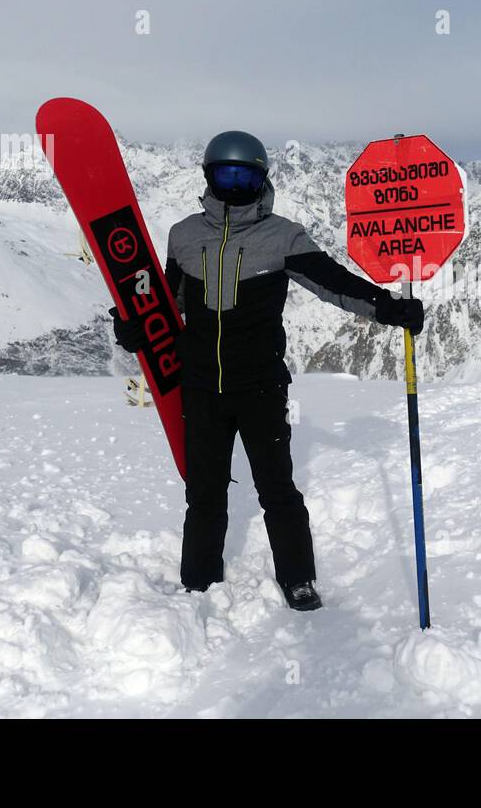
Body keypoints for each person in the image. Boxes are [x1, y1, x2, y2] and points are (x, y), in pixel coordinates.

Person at [111, 131, 423, 611]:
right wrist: (133, 327)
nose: (235, 185)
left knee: (277, 490)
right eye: (225, 174)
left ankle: (298, 580)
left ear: (262, 180)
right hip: (200, 386)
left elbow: (333, 284)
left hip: (259, 387)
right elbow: (166, 304)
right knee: (204, 493)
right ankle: (198, 581)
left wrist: (386, 308)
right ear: (209, 176)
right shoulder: (183, 235)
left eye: (246, 176)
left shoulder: (283, 236)